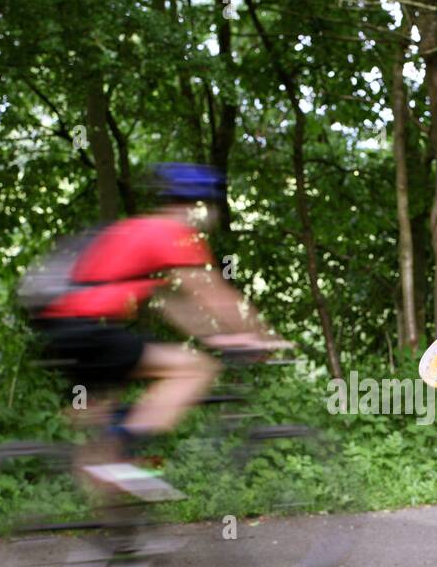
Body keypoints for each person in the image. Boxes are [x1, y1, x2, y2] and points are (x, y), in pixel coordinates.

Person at [24, 162, 284, 499]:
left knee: (106, 451)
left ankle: (120, 541)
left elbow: (176, 305)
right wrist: (260, 335)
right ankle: (118, 449)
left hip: (66, 329)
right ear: (198, 206)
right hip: (88, 330)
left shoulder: (139, 231)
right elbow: (212, 294)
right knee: (197, 368)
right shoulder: (171, 234)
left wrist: (218, 337)